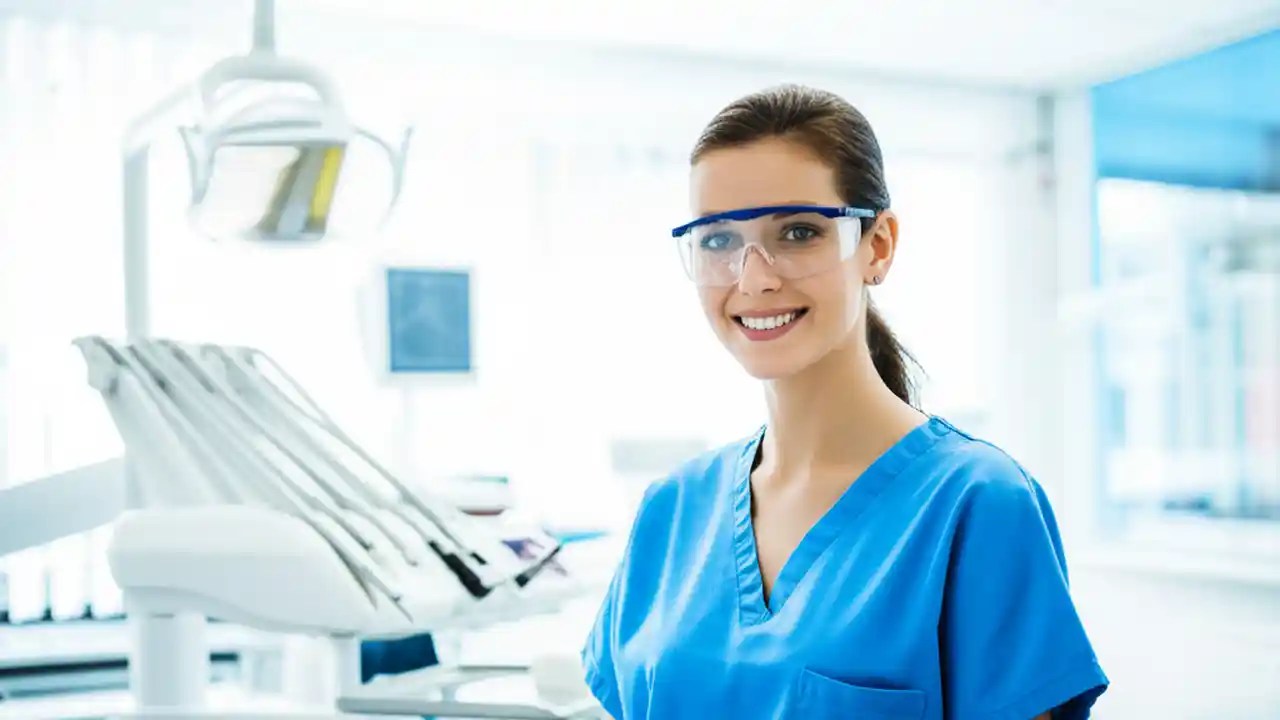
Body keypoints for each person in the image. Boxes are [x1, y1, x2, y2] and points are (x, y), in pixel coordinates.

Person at [579, 84, 1108, 720]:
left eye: (798, 232)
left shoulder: (975, 504)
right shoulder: (671, 510)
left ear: (877, 245)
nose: (754, 278)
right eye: (717, 240)